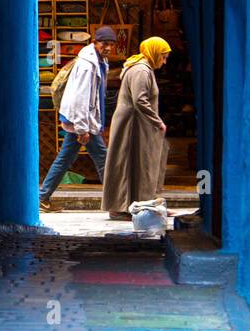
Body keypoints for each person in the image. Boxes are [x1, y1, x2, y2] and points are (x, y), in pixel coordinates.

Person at [39, 27, 119, 213]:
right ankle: (115, 202)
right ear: (95, 43)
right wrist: (83, 129)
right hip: (82, 121)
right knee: (102, 159)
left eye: (111, 44)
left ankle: (43, 197)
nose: (107, 48)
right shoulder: (87, 65)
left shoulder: (99, 61)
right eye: (104, 43)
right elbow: (81, 97)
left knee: (65, 158)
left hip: (82, 120)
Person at [101, 36, 172, 219]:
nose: (164, 62)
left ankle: (142, 205)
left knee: (136, 164)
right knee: (128, 164)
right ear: (154, 53)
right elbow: (140, 100)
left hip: (136, 123)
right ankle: (122, 207)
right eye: (163, 57)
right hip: (131, 125)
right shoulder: (141, 71)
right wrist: (158, 122)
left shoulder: (142, 68)